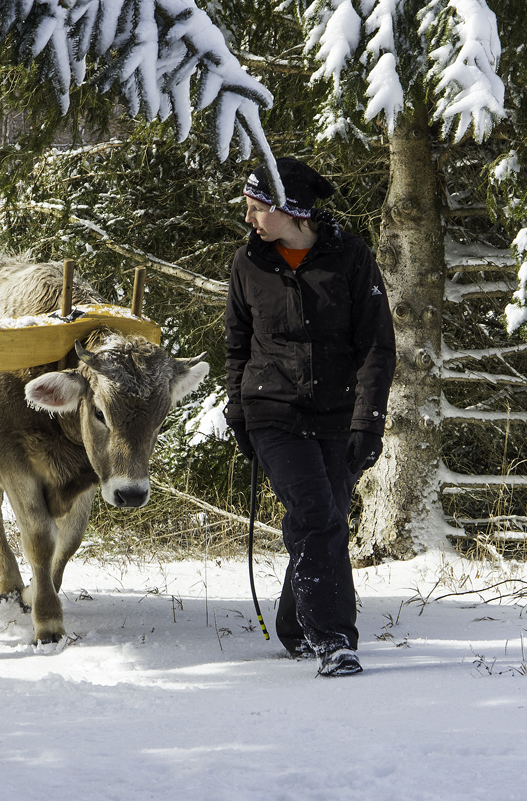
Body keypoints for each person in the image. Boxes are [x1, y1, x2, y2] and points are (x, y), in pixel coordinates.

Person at [224, 157, 396, 677]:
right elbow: (236, 344)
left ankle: (297, 626)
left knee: (321, 522)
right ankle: (334, 640)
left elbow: (376, 346)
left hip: (338, 414)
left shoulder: (351, 258)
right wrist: (237, 410)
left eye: (258, 208)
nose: (250, 218)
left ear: (292, 211)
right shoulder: (248, 263)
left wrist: (368, 421)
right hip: (271, 412)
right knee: (317, 514)